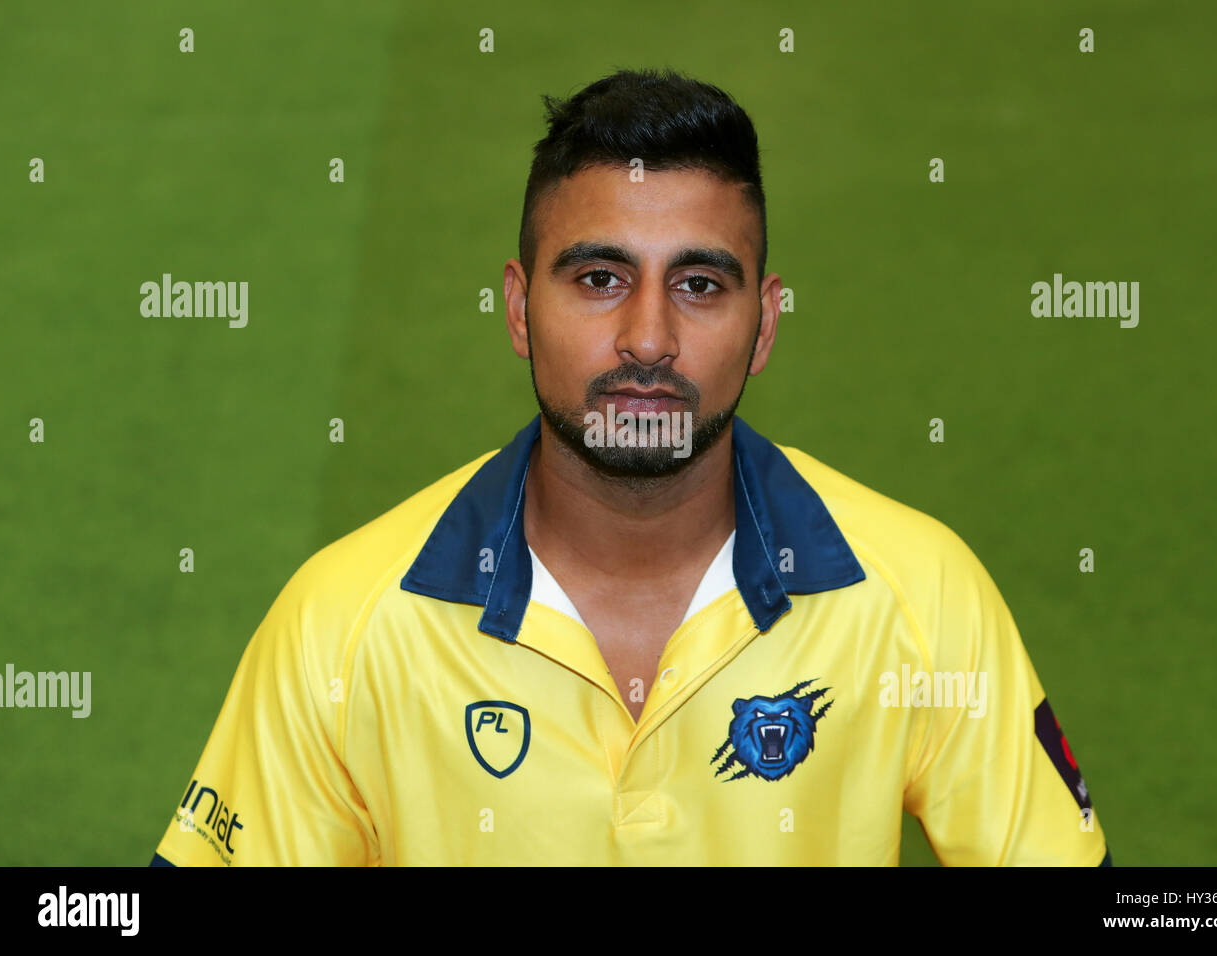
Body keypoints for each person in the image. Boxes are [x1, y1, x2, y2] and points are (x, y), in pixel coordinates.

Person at [151, 67, 1109, 866]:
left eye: (698, 285)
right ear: (521, 310)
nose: (648, 338)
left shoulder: (920, 598)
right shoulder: (342, 629)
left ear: (765, 323)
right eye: (600, 279)